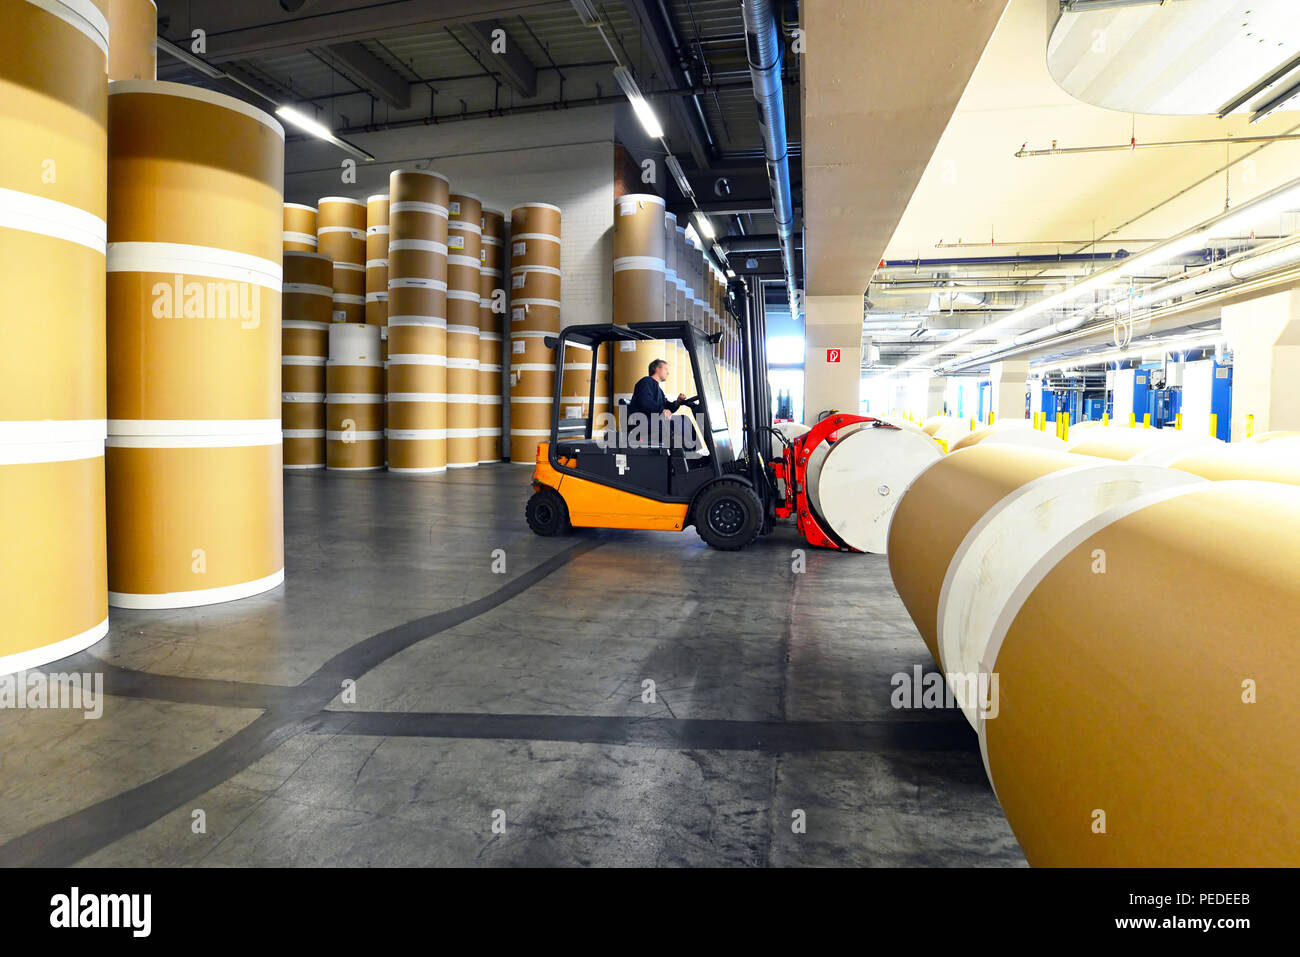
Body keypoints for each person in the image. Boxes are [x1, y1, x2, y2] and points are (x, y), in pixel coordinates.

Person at [626, 358, 702, 451]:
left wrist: (677, 402)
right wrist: (662, 410)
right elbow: (645, 401)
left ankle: (695, 450)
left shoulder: (658, 389)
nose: (668, 373)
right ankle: (689, 453)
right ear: (657, 369)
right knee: (679, 421)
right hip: (642, 422)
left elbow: (666, 406)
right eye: (666, 369)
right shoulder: (646, 381)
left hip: (652, 420)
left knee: (684, 419)